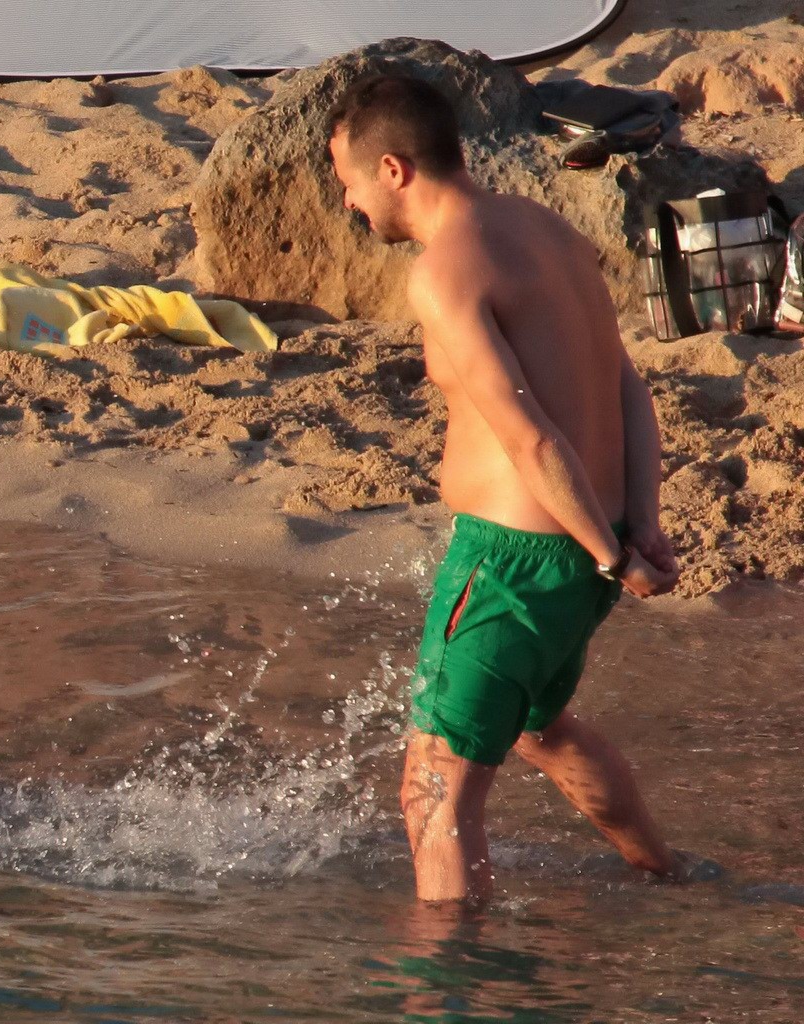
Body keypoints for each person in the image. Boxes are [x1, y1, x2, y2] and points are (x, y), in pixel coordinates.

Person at [325, 75, 682, 903]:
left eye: (347, 182)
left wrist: (612, 553)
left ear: (392, 168)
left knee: (434, 788)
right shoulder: (546, 229)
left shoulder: (445, 273)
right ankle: (663, 875)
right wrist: (637, 527)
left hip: (515, 563)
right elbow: (626, 384)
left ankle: (452, 980)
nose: (348, 204)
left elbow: (529, 436)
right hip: (584, 550)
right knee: (541, 730)